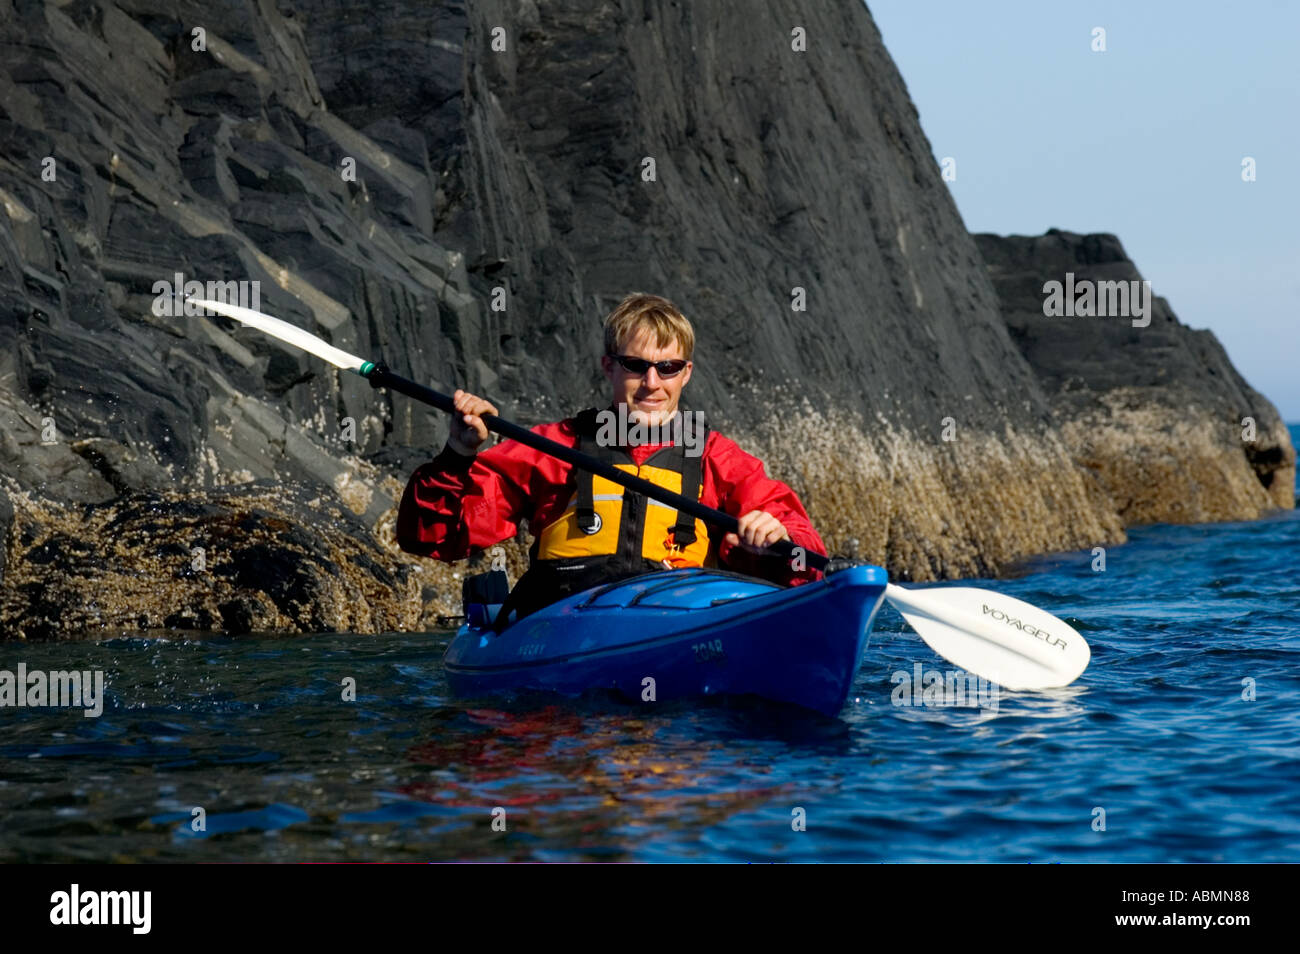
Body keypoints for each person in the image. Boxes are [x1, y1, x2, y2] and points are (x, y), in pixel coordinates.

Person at [396, 293, 827, 622]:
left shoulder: (718, 458)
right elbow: (430, 536)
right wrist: (458, 453)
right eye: (635, 366)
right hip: (567, 626)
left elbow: (804, 556)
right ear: (609, 367)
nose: (652, 383)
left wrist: (777, 537)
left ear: (686, 373)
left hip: (675, 623)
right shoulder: (553, 449)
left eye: (668, 368)